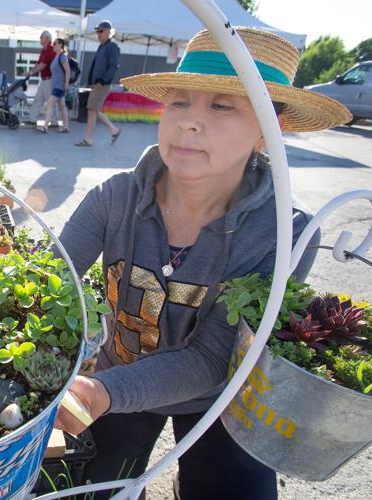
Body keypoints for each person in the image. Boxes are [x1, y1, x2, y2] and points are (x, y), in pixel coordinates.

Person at [53, 27, 351, 499]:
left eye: (221, 106)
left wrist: (104, 393)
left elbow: (213, 357)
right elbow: (51, 279)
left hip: (218, 399)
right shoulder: (112, 200)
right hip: (116, 375)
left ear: (267, 129)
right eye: (180, 102)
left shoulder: (286, 232)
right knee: (82, 489)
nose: (189, 122)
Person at [76, 20, 121, 147]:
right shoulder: (102, 46)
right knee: (93, 108)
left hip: (102, 84)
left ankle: (90, 139)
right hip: (96, 83)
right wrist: (90, 82)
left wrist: (104, 80)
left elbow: (114, 66)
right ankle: (114, 130)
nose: (98, 34)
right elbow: (96, 66)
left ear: (108, 32)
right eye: (97, 31)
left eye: (101, 31)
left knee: (92, 108)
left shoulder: (112, 47)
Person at [37, 38, 71, 134]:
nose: (53, 45)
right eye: (53, 43)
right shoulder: (56, 57)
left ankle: (45, 127)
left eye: (55, 43)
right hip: (56, 85)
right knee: (62, 107)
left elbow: (67, 70)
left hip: (59, 86)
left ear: (60, 45)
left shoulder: (62, 56)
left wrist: (66, 83)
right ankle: (66, 127)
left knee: (50, 104)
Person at [25, 31, 57, 123]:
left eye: (41, 37)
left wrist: (31, 72)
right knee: (38, 100)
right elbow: (38, 63)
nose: (40, 38)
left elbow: (43, 65)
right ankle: (32, 119)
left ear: (47, 38)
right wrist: (31, 71)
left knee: (50, 102)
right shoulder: (44, 50)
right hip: (44, 80)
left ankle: (54, 121)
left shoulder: (51, 49)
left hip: (49, 80)